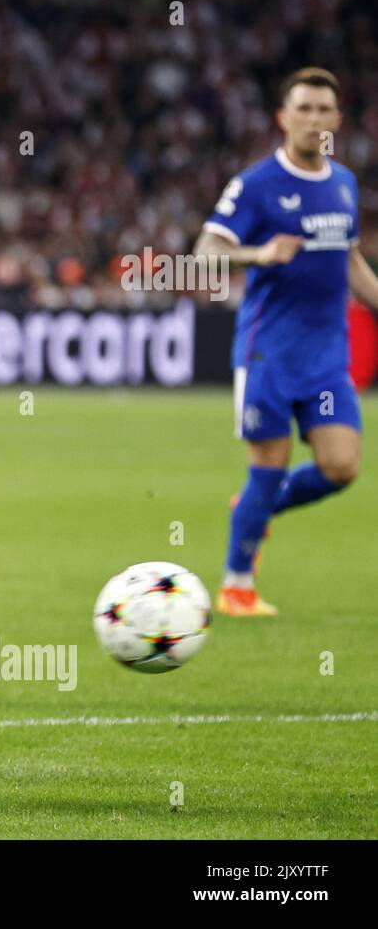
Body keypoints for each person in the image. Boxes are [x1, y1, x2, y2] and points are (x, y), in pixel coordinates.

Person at [195, 67, 378, 617]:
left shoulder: (343, 183)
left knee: (342, 467)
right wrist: (257, 254)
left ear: (337, 120)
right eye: (303, 109)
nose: (313, 119)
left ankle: (257, 507)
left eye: (324, 110)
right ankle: (237, 585)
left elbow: (349, 261)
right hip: (268, 353)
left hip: (327, 358)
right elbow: (206, 253)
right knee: (267, 468)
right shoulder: (255, 185)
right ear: (283, 117)